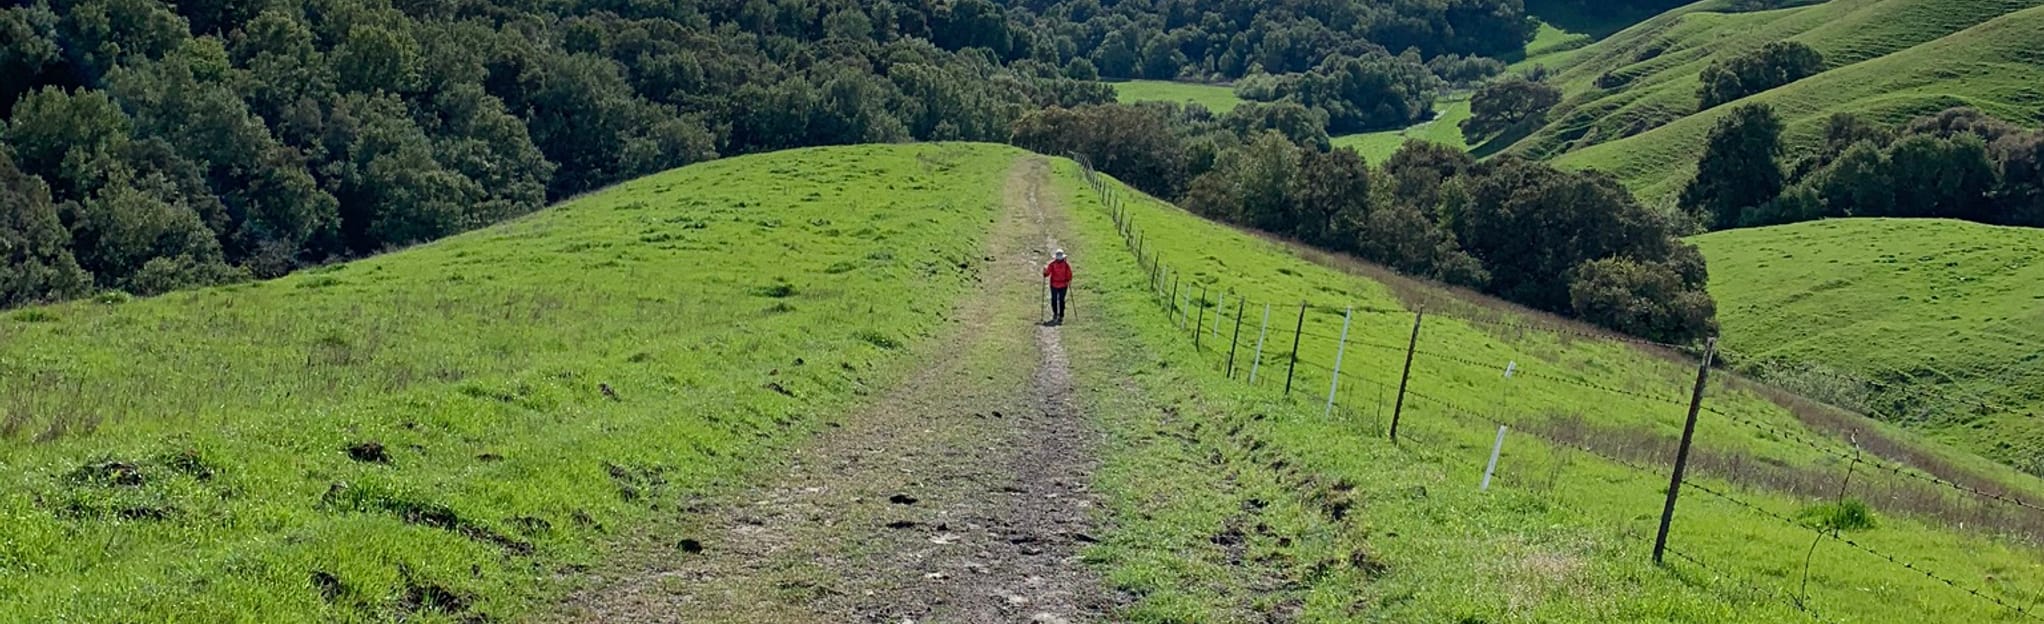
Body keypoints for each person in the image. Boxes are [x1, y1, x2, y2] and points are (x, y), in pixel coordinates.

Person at [1042, 249, 1072, 325]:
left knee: (1058, 300)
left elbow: (1069, 274)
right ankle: (1058, 314)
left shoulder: (1064, 265)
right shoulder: (1055, 265)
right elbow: (1048, 273)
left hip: (1059, 285)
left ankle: (1059, 315)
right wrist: (1045, 273)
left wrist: (1045, 273)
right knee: (1057, 300)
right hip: (1058, 285)